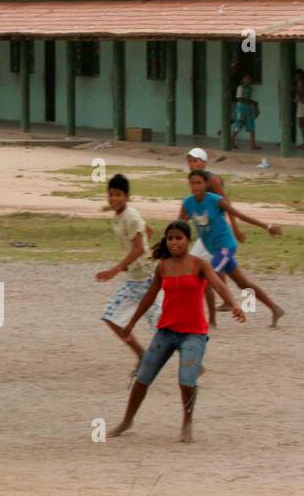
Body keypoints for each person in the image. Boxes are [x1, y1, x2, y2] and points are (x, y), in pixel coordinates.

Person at [109, 220, 246, 443]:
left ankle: (187, 423)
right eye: (171, 238)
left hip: (194, 333)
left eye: (179, 238)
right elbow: (149, 297)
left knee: (187, 380)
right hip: (166, 331)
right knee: (142, 378)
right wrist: (132, 322)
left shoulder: (199, 265)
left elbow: (219, 285)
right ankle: (127, 420)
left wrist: (235, 304)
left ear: (188, 240)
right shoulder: (163, 266)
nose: (174, 242)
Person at [179, 169, 285, 327]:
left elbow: (240, 215)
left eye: (199, 182)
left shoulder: (216, 200)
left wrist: (267, 226)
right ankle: (275, 308)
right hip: (213, 248)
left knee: (209, 276)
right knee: (242, 283)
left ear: (206, 184)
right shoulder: (188, 203)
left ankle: (211, 322)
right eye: (192, 183)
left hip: (225, 246)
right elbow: (179, 226)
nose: (195, 186)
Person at [96, 174, 160, 367]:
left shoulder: (130, 216)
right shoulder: (121, 215)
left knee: (163, 327)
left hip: (146, 280)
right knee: (111, 316)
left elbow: (139, 247)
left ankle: (194, 364)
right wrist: (132, 263)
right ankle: (141, 355)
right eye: (110, 194)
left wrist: (116, 269)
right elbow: (147, 232)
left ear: (127, 196)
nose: (113, 199)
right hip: (135, 279)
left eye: (118, 195)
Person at [185, 148, 245, 326]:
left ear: (204, 162)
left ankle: (213, 317)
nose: (192, 164)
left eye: (196, 160)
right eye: (190, 160)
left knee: (207, 273)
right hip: (206, 234)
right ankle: (272, 307)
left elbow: (227, 204)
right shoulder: (195, 180)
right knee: (231, 277)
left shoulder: (212, 180)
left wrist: (235, 227)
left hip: (217, 235)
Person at [230, 73, 260, 150]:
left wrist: (252, 103)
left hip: (248, 109)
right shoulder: (240, 88)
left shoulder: (250, 88)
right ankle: (231, 142)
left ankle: (252, 144)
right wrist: (251, 102)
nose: (248, 80)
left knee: (251, 126)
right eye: (246, 79)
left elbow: (248, 99)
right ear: (242, 80)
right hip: (241, 109)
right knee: (238, 126)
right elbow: (239, 99)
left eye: (249, 79)